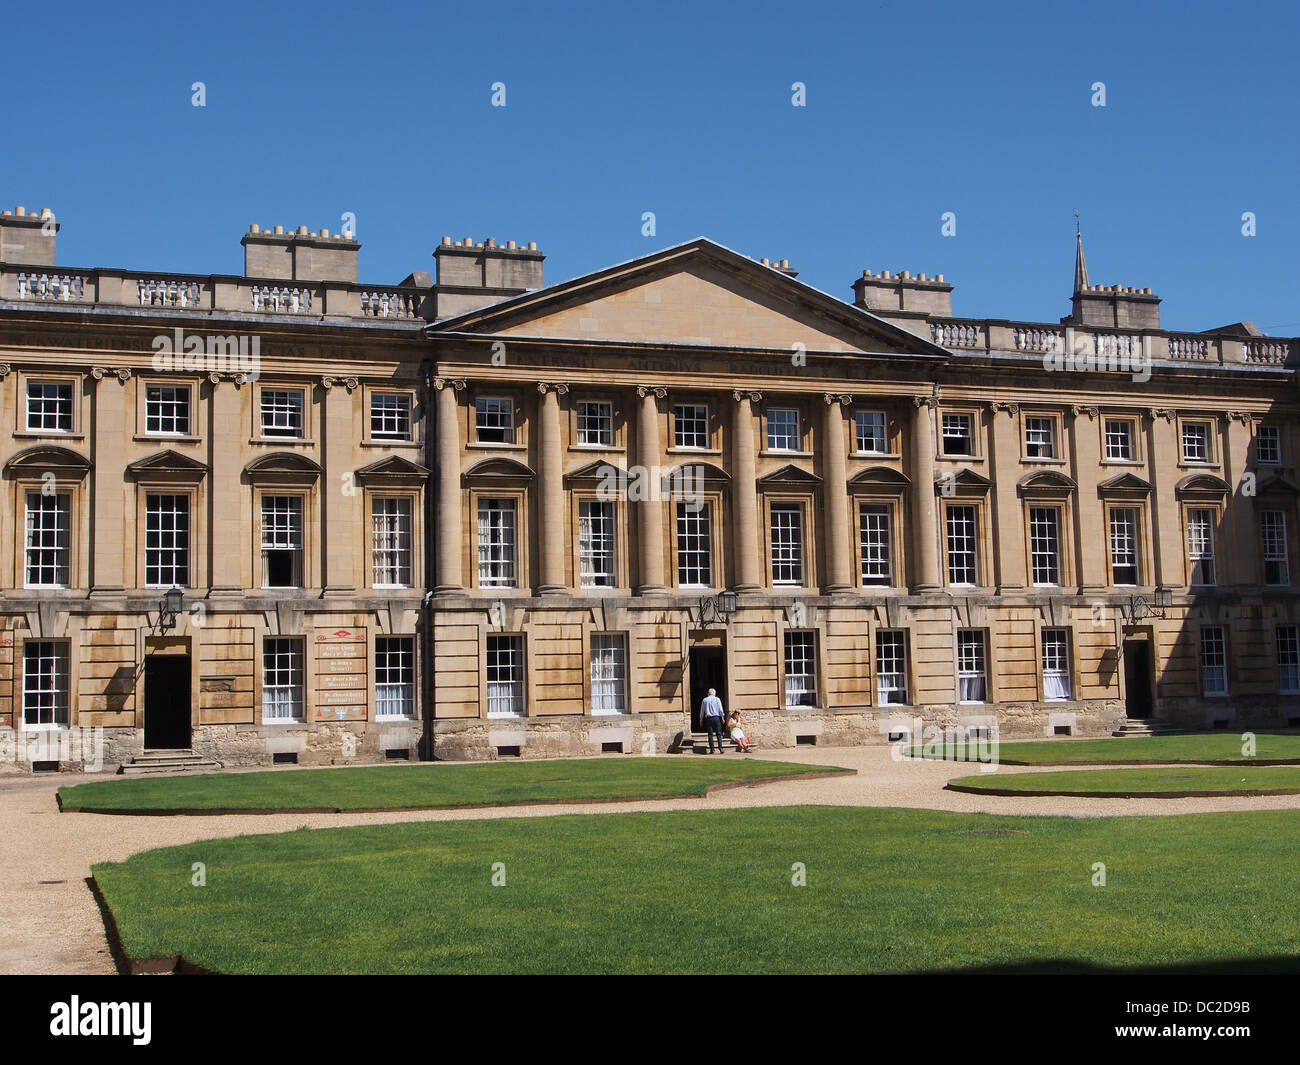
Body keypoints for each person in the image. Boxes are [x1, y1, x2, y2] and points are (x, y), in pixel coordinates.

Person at [700, 688, 726, 753]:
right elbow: (720, 709)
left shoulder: (705, 700)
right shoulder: (717, 699)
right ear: (714, 693)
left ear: (708, 693)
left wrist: (701, 719)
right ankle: (720, 748)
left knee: (710, 734)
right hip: (716, 718)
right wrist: (722, 717)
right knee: (719, 733)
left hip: (708, 718)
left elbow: (702, 711)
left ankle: (712, 749)